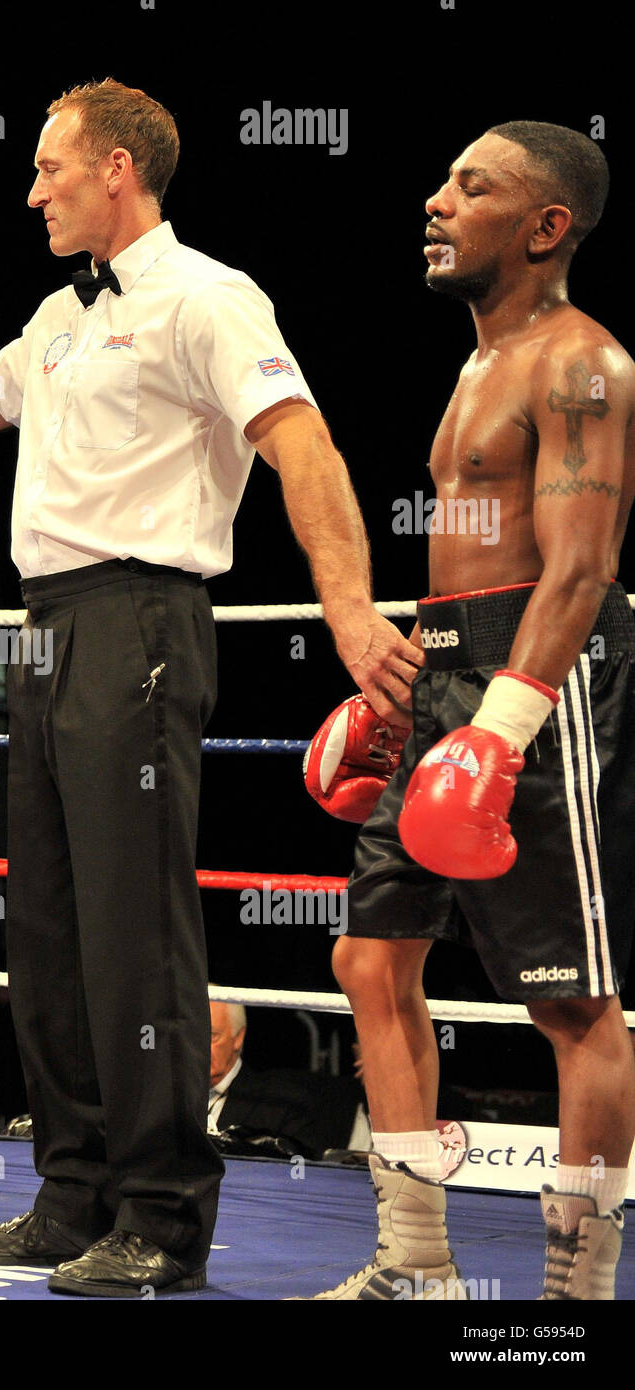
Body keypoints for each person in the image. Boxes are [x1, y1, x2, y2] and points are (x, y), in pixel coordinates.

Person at [0, 78, 420, 1296]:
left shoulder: (207, 295)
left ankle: (159, 1209)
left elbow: (299, 440)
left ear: (114, 169)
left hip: (141, 614)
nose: (34, 186)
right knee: (46, 927)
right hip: (44, 626)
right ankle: (72, 1192)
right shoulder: (55, 314)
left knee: (132, 930)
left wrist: (349, 610)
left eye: (51, 167)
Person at [308, 122, 634, 1301]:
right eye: (441, 177)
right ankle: (412, 1265)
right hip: (447, 672)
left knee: (572, 1003)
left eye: (470, 186)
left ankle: (574, 1296)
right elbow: (466, 557)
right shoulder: (473, 363)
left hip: (538, 684)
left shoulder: (580, 361)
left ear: (545, 227)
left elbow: (576, 567)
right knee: (367, 954)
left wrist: (497, 729)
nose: (435, 201)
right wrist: (403, 679)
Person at [206, 999, 369, 1156]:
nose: (199, 1045)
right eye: (190, 1034)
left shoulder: (282, 1104)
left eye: (212, 1035)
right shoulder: (181, 1096)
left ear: (238, 1038)